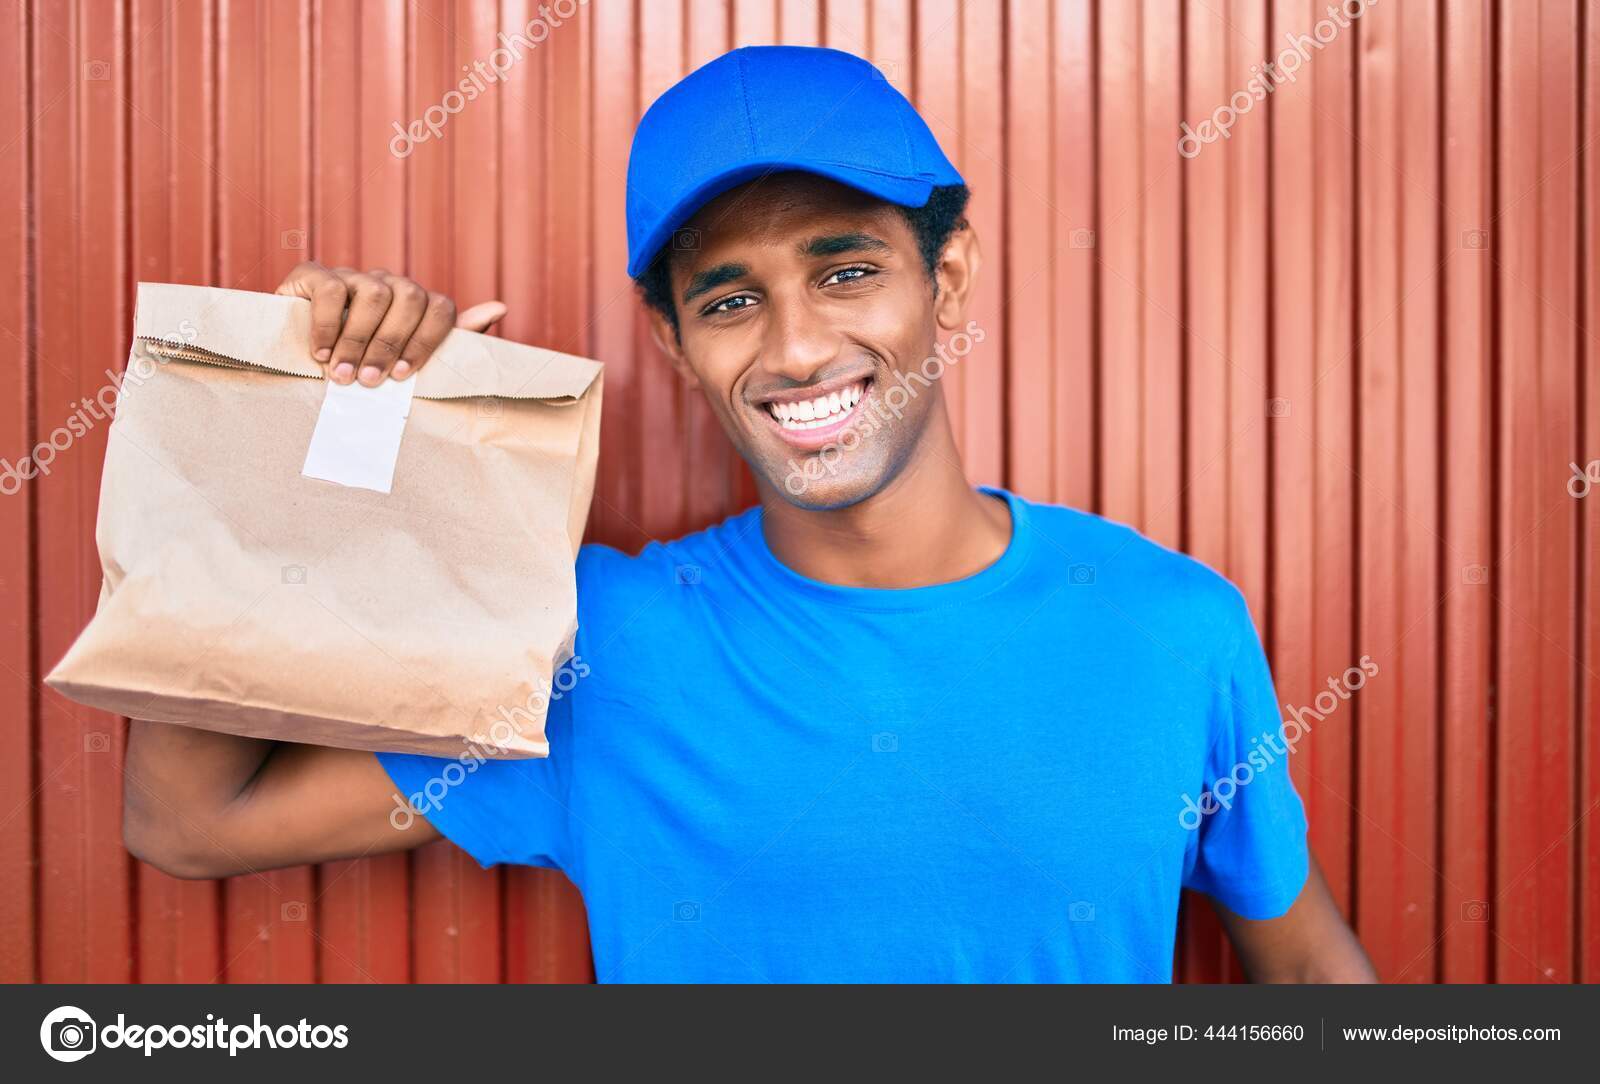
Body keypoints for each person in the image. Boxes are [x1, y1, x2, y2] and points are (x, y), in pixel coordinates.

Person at [124, 45, 1375, 983]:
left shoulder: (1171, 629)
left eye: (846, 270)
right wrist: (287, 422)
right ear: (672, 341)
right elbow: (186, 823)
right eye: (728, 301)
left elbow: (1308, 962)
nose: (795, 347)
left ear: (948, 276)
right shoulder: (595, 647)